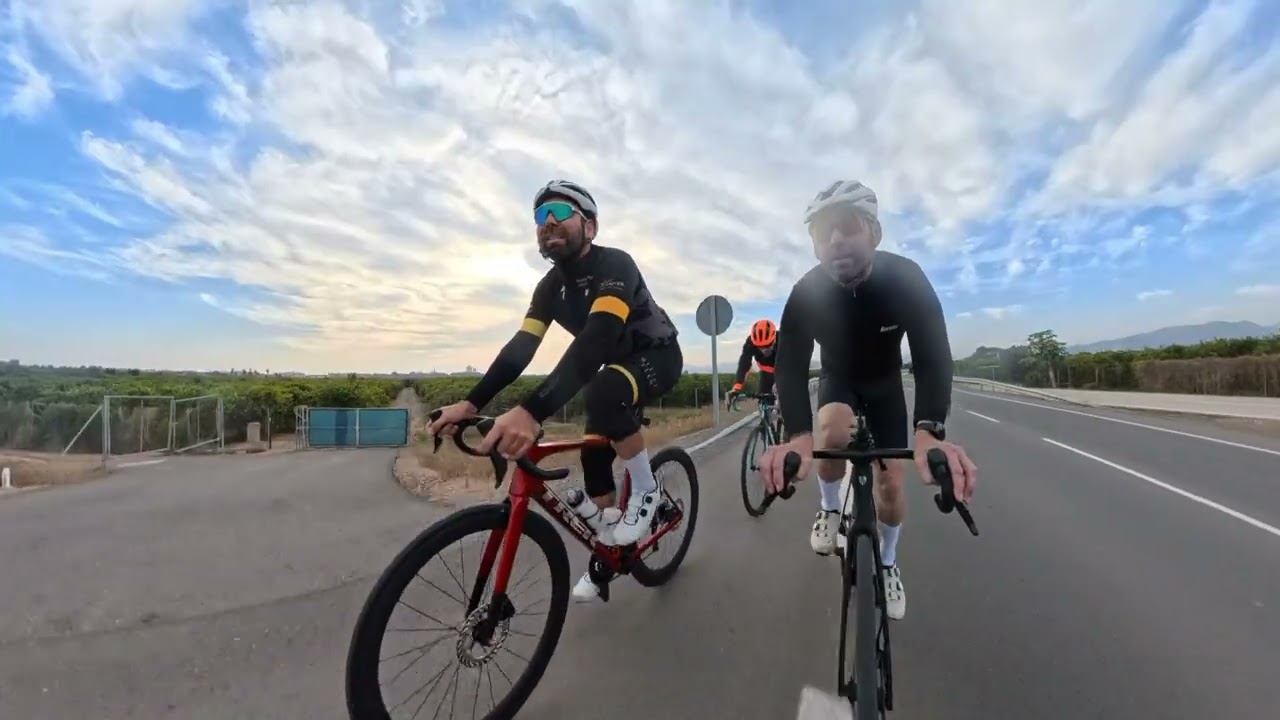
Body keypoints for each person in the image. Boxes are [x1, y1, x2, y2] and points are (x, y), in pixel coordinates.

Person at [427, 179, 683, 603]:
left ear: (590, 227)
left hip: (657, 355)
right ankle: (610, 549)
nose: (548, 222)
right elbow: (521, 349)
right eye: (540, 216)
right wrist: (470, 403)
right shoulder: (549, 289)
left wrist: (531, 411)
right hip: (615, 370)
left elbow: (598, 337)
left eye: (561, 212)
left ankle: (647, 490)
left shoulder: (615, 265)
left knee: (601, 390)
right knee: (593, 455)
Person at [759, 179, 978, 622]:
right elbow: (790, 366)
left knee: (891, 483)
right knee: (831, 433)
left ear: (875, 233)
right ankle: (828, 507)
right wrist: (798, 436)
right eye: (823, 231)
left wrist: (929, 431)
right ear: (814, 245)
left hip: (884, 384)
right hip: (838, 379)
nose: (835, 238)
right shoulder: (806, 292)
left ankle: (889, 562)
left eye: (847, 225)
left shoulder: (905, 278)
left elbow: (933, 354)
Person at [725, 318, 779, 407]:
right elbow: (744, 363)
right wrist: (737, 386)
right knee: (763, 401)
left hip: (784, 369)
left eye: (768, 345)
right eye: (760, 347)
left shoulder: (783, 339)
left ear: (774, 339)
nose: (764, 350)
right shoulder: (750, 343)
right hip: (766, 372)